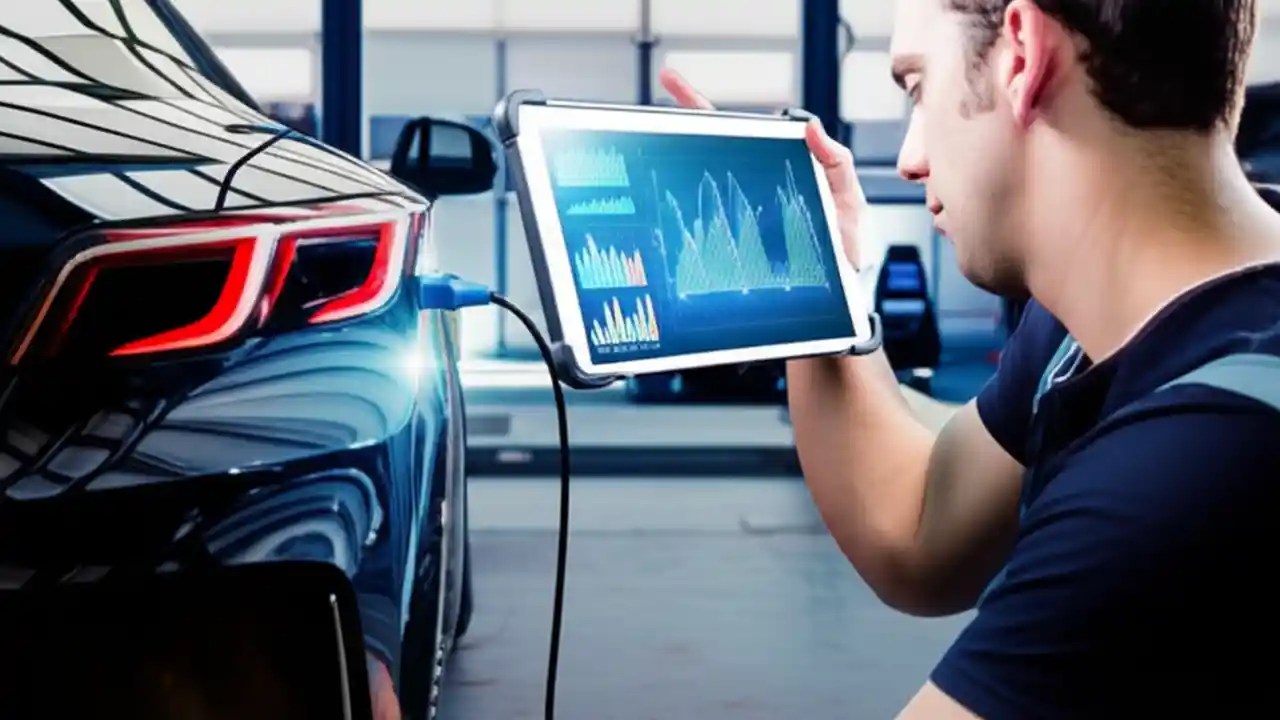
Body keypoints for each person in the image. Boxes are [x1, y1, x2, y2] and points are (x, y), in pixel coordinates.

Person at [663, 0, 1280, 717]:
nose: (908, 159)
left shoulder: (1205, 463)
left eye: (919, 87)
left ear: (1020, 55)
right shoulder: (1097, 320)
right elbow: (921, 527)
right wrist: (815, 272)